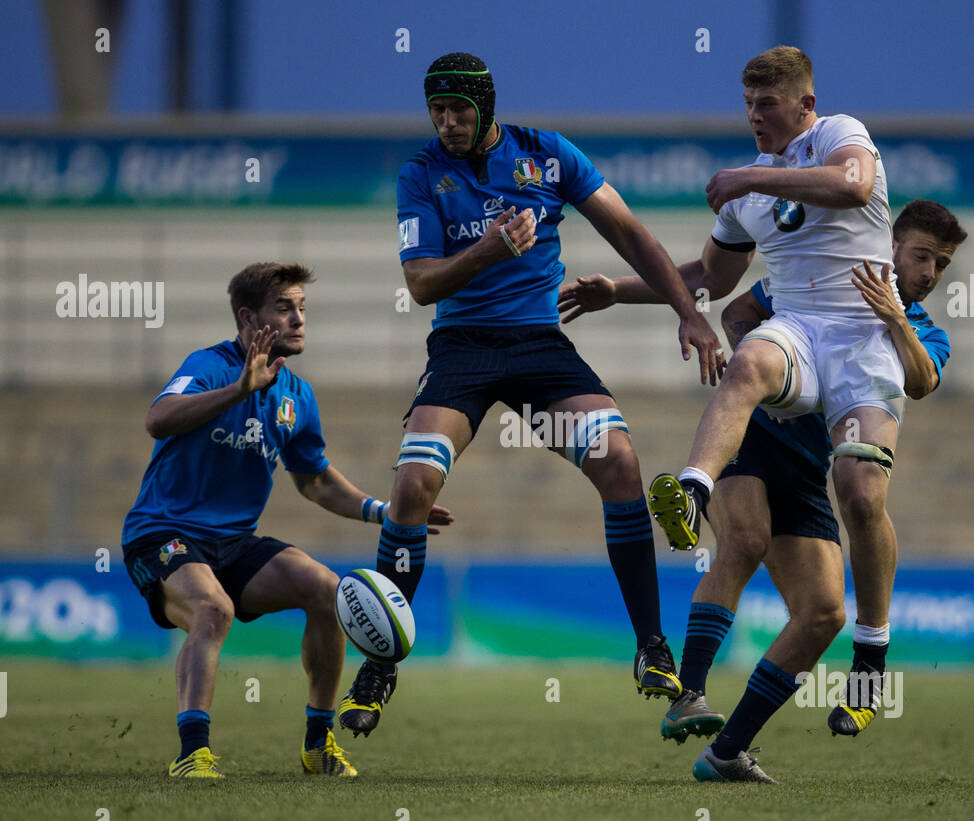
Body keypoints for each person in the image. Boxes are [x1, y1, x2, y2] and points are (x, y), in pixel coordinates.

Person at [335, 52, 725, 738]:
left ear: (486, 108)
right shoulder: (422, 174)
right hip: (463, 349)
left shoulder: (546, 156)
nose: (448, 123)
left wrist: (687, 310)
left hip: (539, 347)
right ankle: (378, 663)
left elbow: (632, 234)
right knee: (413, 484)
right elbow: (423, 284)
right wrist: (489, 250)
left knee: (621, 463)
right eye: (437, 111)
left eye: (459, 110)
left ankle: (650, 648)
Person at [562, 199, 965, 780]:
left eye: (942, 265)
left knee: (824, 612)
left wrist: (895, 318)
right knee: (745, 539)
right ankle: (687, 695)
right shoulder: (821, 285)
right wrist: (777, 381)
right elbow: (735, 310)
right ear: (890, 246)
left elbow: (922, 381)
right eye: (921, 255)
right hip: (752, 438)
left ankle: (727, 751)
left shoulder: (924, 330)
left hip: (808, 468)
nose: (929, 273)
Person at [634, 47, 916, 753]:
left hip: (861, 339)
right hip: (797, 324)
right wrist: (620, 290)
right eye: (748, 105)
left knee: (859, 489)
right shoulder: (749, 192)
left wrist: (749, 174)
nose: (756, 116)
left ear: (806, 105)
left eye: (768, 103)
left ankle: (872, 655)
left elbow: (853, 187)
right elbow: (711, 274)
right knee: (750, 361)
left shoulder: (839, 135)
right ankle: (693, 488)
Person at [121, 262, 452, 779]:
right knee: (213, 609)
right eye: (285, 308)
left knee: (328, 590)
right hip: (163, 534)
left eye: (303, 308)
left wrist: (385, 512)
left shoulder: (297, 396)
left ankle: (318, 746)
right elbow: (157, 419)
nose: (299, 319)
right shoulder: (209, 366)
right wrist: (238, 389)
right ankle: (193, 754)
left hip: (233, 543)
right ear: (248, 318)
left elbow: (314, 481)